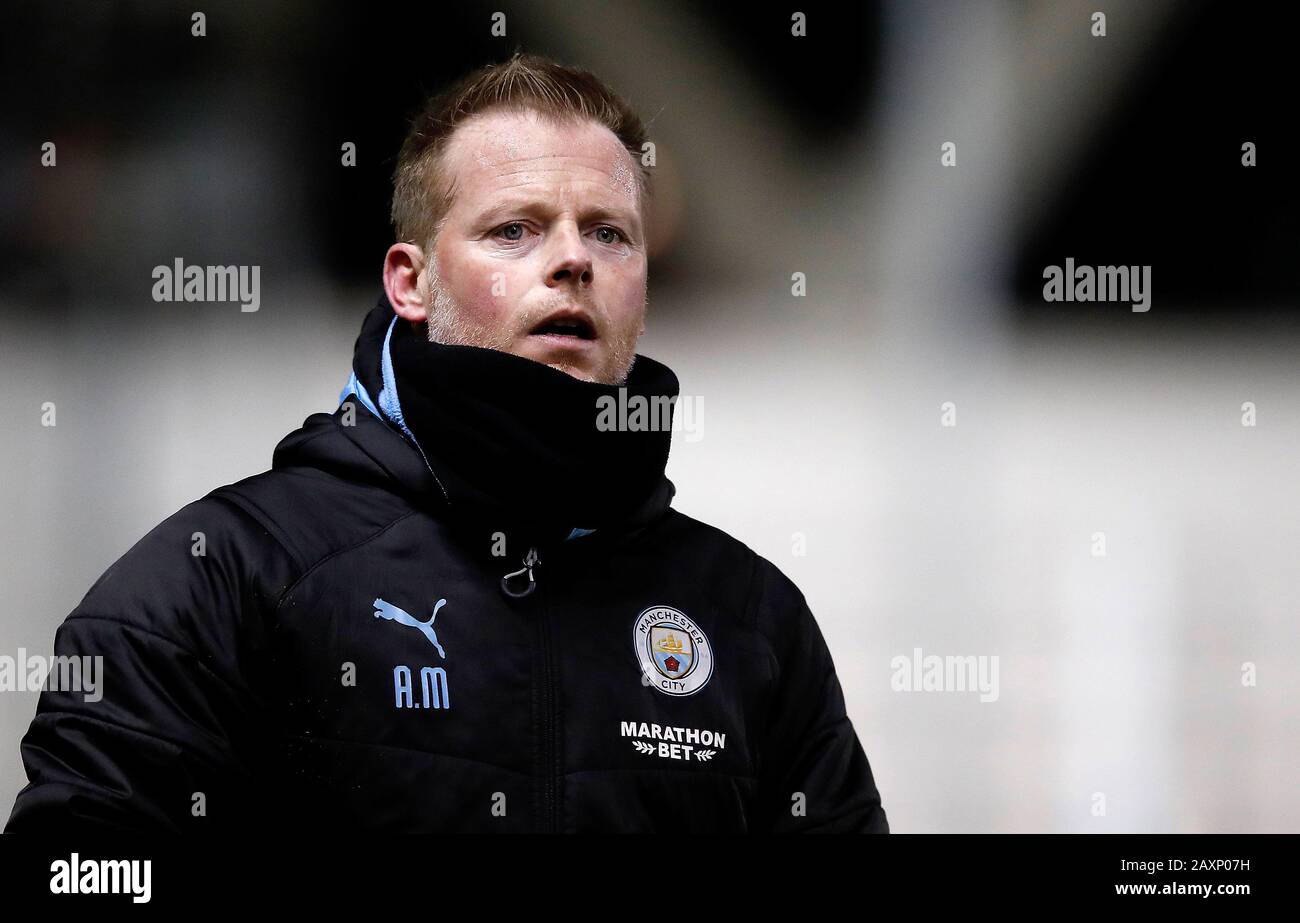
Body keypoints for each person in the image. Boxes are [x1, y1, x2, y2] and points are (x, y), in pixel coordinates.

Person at [6, 52, 888, 833]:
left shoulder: (750, 623)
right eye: (517, 229)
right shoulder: (224, 579)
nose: (574, 260)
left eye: (609, 233)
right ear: (412, 281)